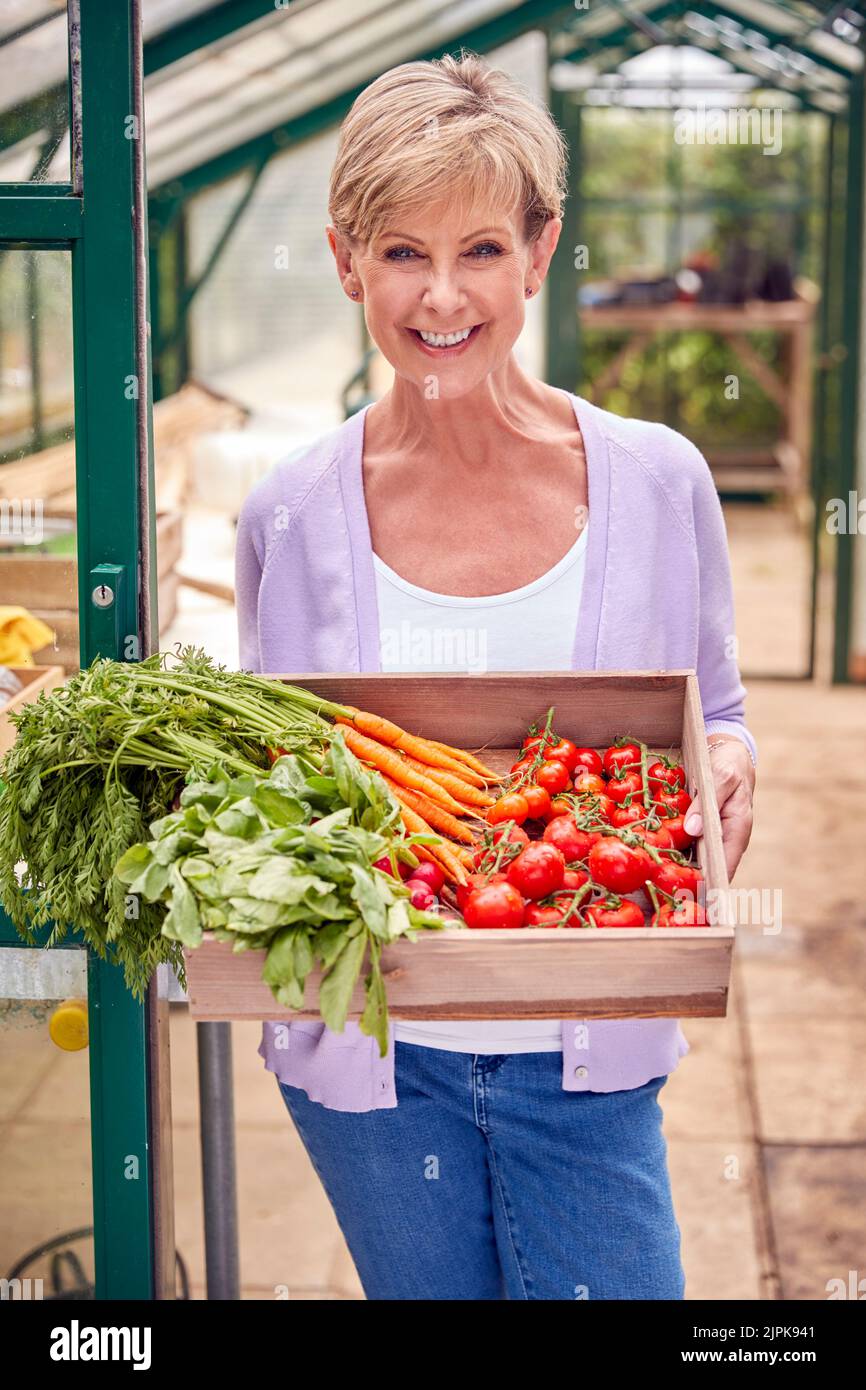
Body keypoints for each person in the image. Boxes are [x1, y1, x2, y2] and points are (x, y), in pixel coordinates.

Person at [235, 53, 757, 1301]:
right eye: (401, 252)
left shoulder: (656, 480)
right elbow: (266, 764)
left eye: (479, 249)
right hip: (373, 1058)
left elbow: (716, 712)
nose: (440, 297)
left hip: (585, 1058)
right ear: (345, 258)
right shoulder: (290, 512)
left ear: (540, 250)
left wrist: (728, 764)